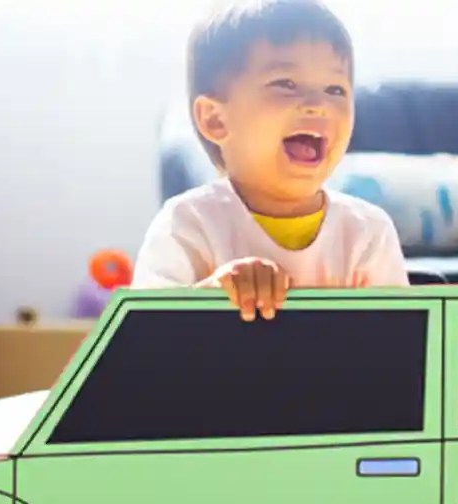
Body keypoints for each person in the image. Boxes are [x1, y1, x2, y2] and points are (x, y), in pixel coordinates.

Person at [131, 0, 409, 321]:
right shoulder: (187, 222)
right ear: (216, 120)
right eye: (286, 84)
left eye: (335, 89)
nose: (318, 105)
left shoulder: (368, 232)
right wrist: (213, 294)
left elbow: (397, 346)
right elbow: (147, 339)